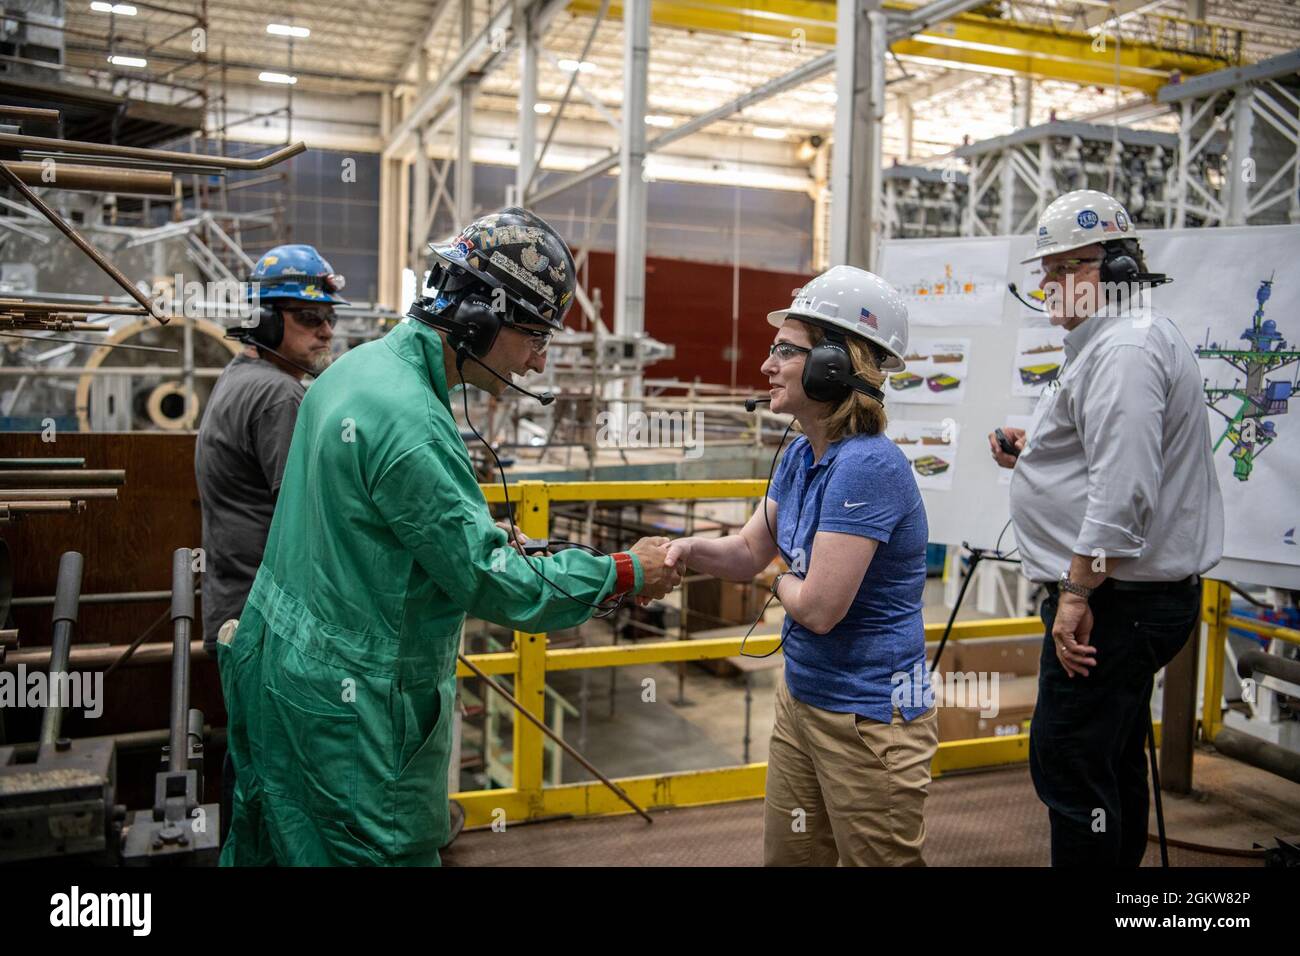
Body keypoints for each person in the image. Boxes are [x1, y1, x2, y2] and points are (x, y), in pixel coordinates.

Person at [217, 207, 681, 866]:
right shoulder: (411, 422)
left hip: (284, 668)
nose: (539, 360)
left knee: (285, 842)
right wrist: (625, 573)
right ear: (482, 322)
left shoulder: (355, 370)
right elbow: (495, 583)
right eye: (534, 337)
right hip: (353, 715)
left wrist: (450, 528)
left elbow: (371, 524)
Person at [665, 266, 937, 866]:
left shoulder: (869, 466)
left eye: (786, 351)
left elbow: (815, 608)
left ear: (834, 368)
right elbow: (745, 552)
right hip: (804, 699)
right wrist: (686, 549)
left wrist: (779, 575)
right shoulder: (798, 454)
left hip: (871, 718)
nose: (767, 366)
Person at [990, 188, 1224, 867]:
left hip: (1116, 602)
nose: (1049, 285)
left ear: (1116, 272)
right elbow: (1105, 455)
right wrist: (1031, 449)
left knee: (1069, 761)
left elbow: (1124, 493)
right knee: (1110, 754)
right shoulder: (1110, 343)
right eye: (1047, 270)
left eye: (1066, 269)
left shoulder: (1124, 349)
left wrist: (1075, 595)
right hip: (1122, 598)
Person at [194, 243, 346, 845]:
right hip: (266, 619)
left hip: (238, 609)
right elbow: (309, 516)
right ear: (264, 318)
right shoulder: (281, 396)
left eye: (330, 317)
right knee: (272, 778)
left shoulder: (239, 378)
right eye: (310, 319)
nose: (326, 331)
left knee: (250, 760)